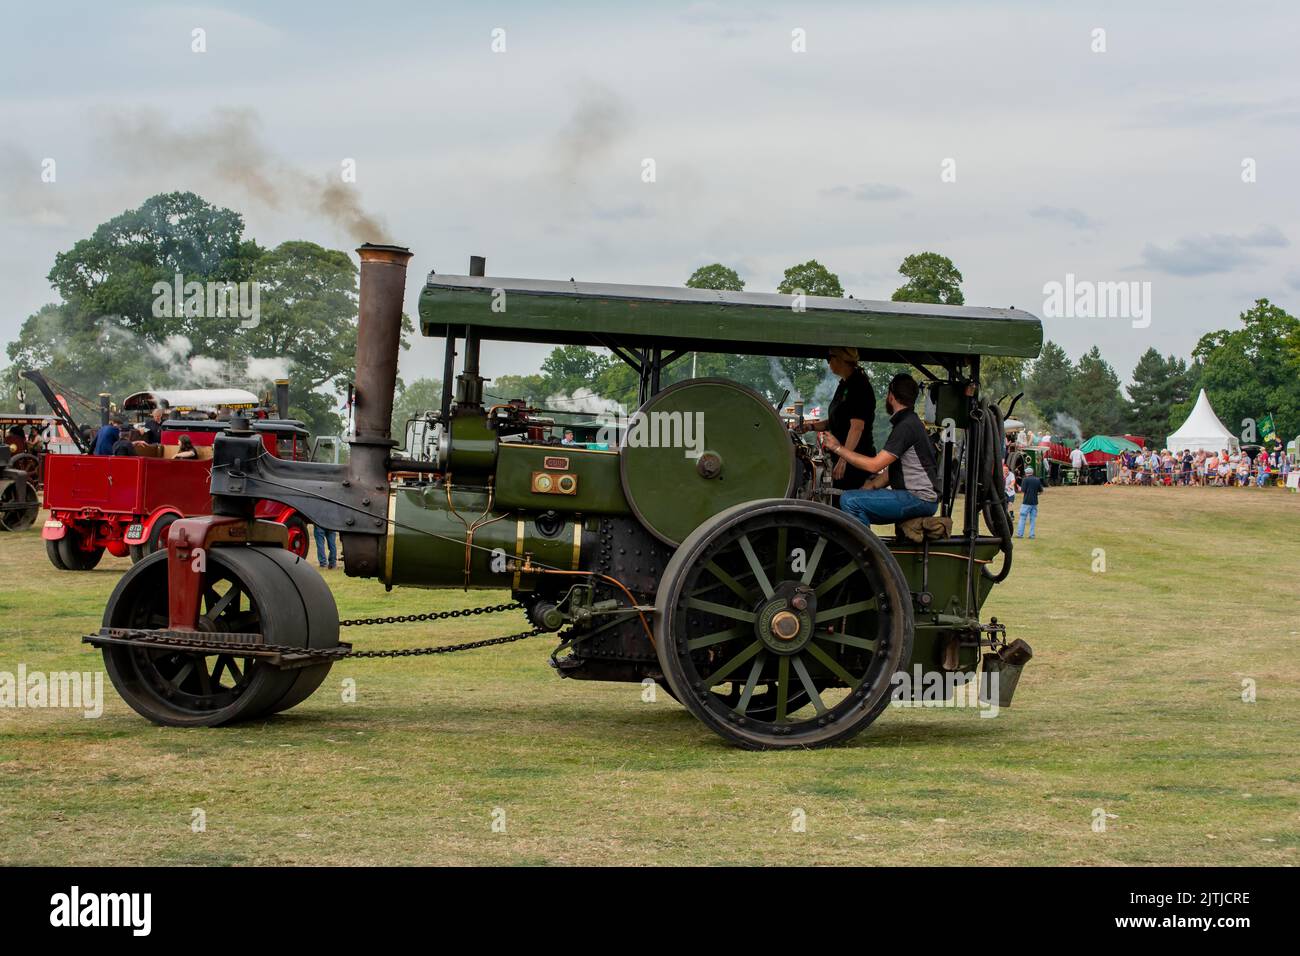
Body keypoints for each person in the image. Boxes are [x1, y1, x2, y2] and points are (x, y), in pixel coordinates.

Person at [821, 373, 938, 526]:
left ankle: (864, 549)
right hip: (918, 497)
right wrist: (870, 486)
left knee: (850, 501)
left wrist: (837, 447)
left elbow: (875, 465)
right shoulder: (909, 422)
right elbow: (892, 472)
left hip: (919, 498)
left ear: (891, 396)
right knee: (853, 500)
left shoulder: (907, 426)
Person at [801, 346, 876, 493]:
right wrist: (809, 427)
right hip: (843, 457)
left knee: (846, 503)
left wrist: (843, 460)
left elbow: (857, 427)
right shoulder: (844, 384)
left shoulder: (859, 385)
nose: (828, 363)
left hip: (855, 463)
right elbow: (836, 420)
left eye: (829, 358)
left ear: (841, 359)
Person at [1016, 466, 1045, 539]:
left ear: (1026, 473)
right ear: (1032, 473)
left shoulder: (1025, 480)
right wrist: (1036, 494)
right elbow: (1041, 491)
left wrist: (1019, 487)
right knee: (1032, 520)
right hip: (1034, 502)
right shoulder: (1037, 480)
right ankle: (1032, 535)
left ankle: (1020, 534)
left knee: (1022, 518)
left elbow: (1022, 490)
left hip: (1026, 502)